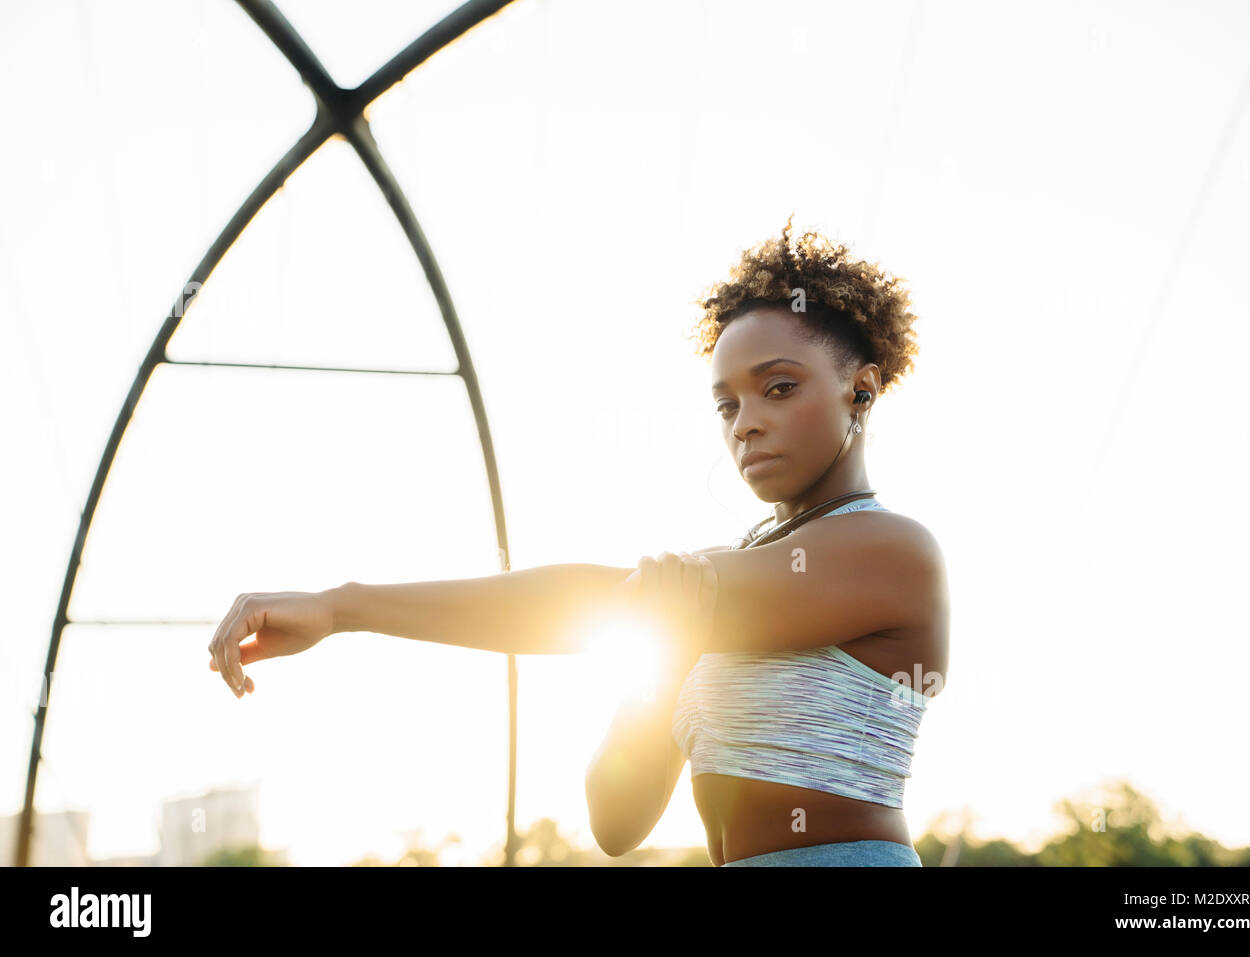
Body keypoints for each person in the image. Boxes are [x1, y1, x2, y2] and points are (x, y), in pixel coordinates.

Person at [206, 215, 949, 867]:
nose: (745, 422)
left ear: (862, 389)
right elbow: (615, 821)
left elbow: (592, 600)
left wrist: (343, 608)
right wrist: (669, 654)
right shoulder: (710, 594)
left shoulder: (892, 551)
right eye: (727, 403)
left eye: (778, 387)